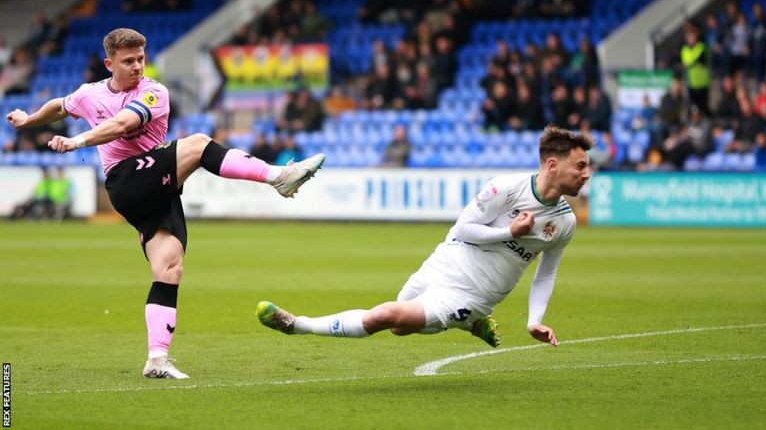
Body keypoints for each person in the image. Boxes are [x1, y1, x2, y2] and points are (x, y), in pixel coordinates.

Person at [5, 28, 326, 379]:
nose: (138, 67)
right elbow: (61, 105)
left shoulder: (155, 92)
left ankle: (156, 359)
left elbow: (122, 123)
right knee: (200, 143)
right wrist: (29, 119)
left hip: (155, 187)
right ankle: (279, 177)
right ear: (109, 64)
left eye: (141, 59)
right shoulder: (90, 94)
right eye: (128, 61)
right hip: (127, 179)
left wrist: (77, 139)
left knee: (169, 269)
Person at [256, 125, 593, 349]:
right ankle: (472, 325)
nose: (586, 174)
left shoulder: (564, 223)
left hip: (472, 294)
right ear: (552, 164)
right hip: (446, 261)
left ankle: (295, 324)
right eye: (579, 165)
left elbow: (546, 272)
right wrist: (510, 231)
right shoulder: (505, 187)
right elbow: (463, 229)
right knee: (400, 328)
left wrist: (534, 320)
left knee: (384, 317)